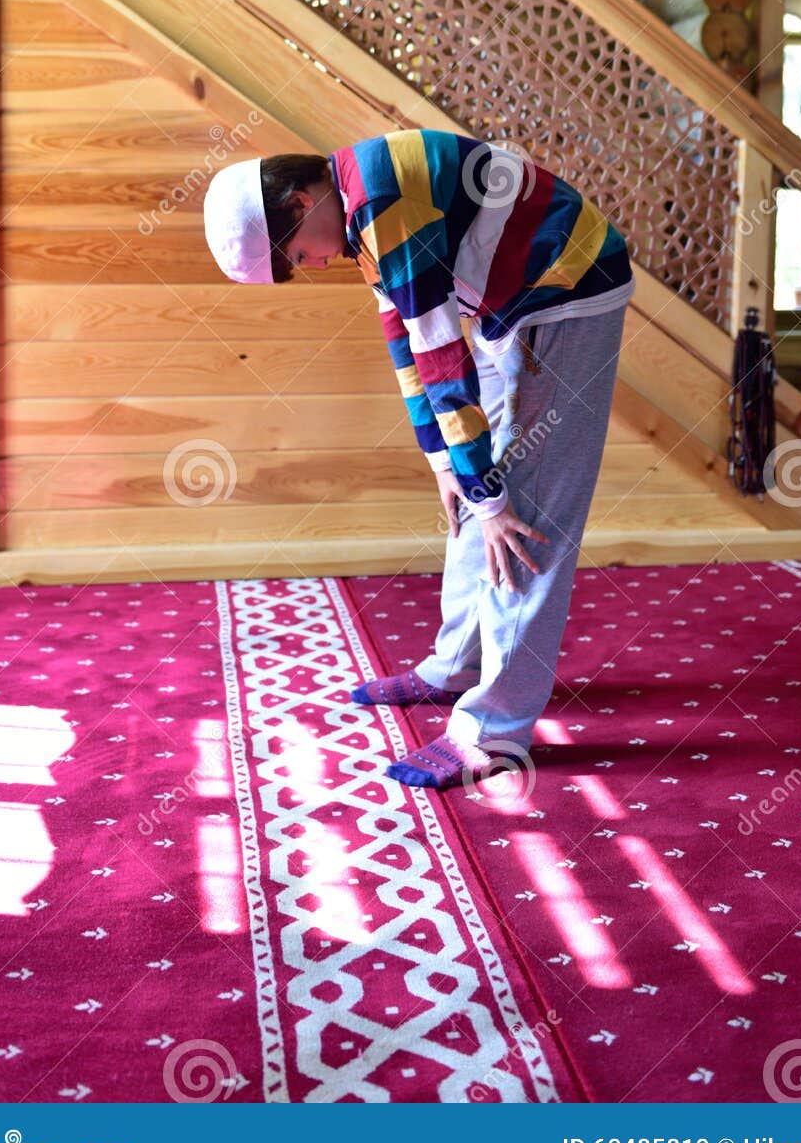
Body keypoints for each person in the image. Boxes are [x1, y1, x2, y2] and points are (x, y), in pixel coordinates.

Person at [202, 128, 634, 791]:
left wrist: (489, 495)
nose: (316, 264)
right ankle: (456, 665)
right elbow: (403, 341)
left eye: (299, 255)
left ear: (297, 203)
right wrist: (444, 464)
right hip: (510, 306)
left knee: (525, 517)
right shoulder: (357, 204)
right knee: (474, 494)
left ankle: (494, 729)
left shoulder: (380, 201)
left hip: (567, 294)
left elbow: (440, 358)